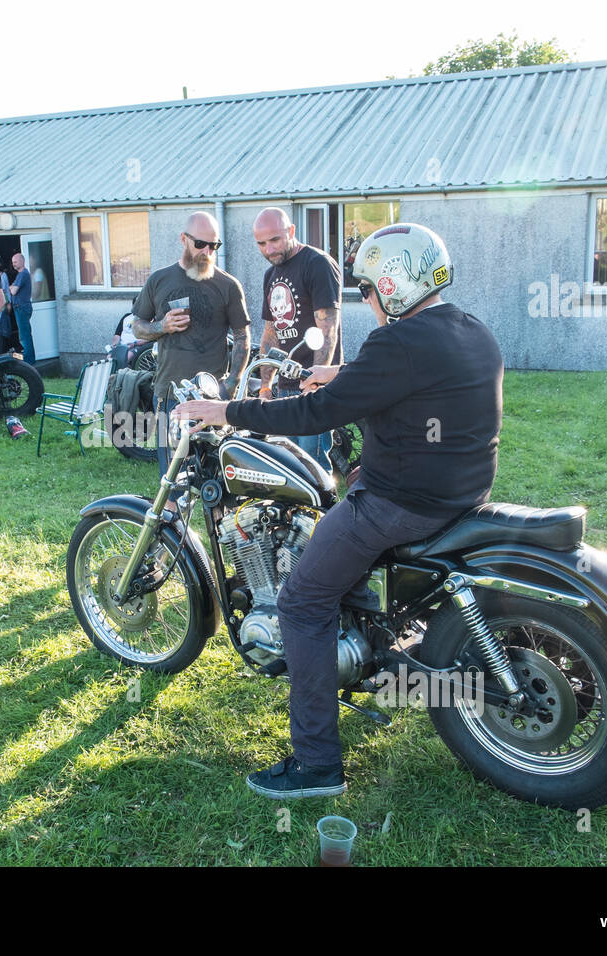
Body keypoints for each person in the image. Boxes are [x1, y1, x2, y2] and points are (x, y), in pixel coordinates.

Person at [174, 224, 503, 799]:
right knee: (328, 556)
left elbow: (313, 415)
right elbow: (415, 378)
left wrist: (227, 410)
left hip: (399, 504)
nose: (366, 299)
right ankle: (363, 644)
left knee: (301, 601)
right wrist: (340, 374)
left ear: (392, 287)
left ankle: (316, 765)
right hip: (462, 493)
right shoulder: (471, 329)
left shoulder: (396, 343)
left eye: (368, 289)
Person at [130, 211, 250, 476]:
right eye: (200, 244)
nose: (207, 251)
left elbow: (242, 335)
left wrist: (231, 385)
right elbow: (137, 325)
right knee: (174, 476)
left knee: (215, 478)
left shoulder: (228, 285)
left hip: (212, 398)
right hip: (170, 395)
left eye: (214, 245)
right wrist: (162, 326)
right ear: (183, 239)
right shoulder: (159, 280)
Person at [252, 206, 342, 470]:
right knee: (287, 465)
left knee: (312, 465)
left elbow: (327, 329)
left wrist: (315, 381)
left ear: (291, 231)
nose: (269, 250)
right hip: (284, 386)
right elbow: (271, 333)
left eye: (275, 240)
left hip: (311, 385)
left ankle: (324, 502)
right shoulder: (271, 275)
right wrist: (266, 386)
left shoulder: (317, 264)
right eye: (261, 244)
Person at [8, 252, 35, 365]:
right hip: (21, 308)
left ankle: (29, 362)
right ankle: (29, 359)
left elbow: (13, 291)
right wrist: (11, 287)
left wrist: (11, 287)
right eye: (13, 262)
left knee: (24, 336)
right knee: (24, 334)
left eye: (15, 262)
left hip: (21, 308)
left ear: (22, 261)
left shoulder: (23, 274)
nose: (13, 264)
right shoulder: (21, 274)